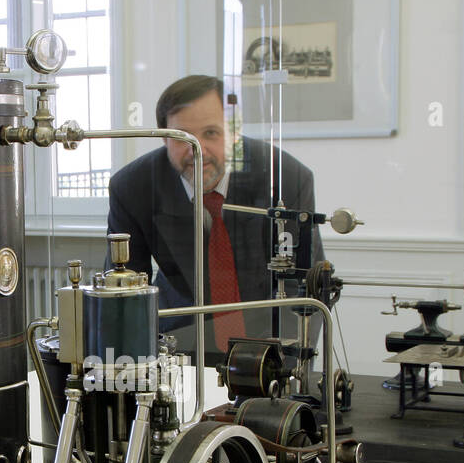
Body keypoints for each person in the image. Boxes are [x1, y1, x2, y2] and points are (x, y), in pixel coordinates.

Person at [106, 74, 325, 361]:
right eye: (182, 136)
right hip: (178, 341)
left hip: (267, 342)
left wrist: (286, 363)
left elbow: (306, 284)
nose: (198, 151)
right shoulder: (132, 187)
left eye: (211, 133)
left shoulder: (286, 177)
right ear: (163, 137)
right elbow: (123, 293)